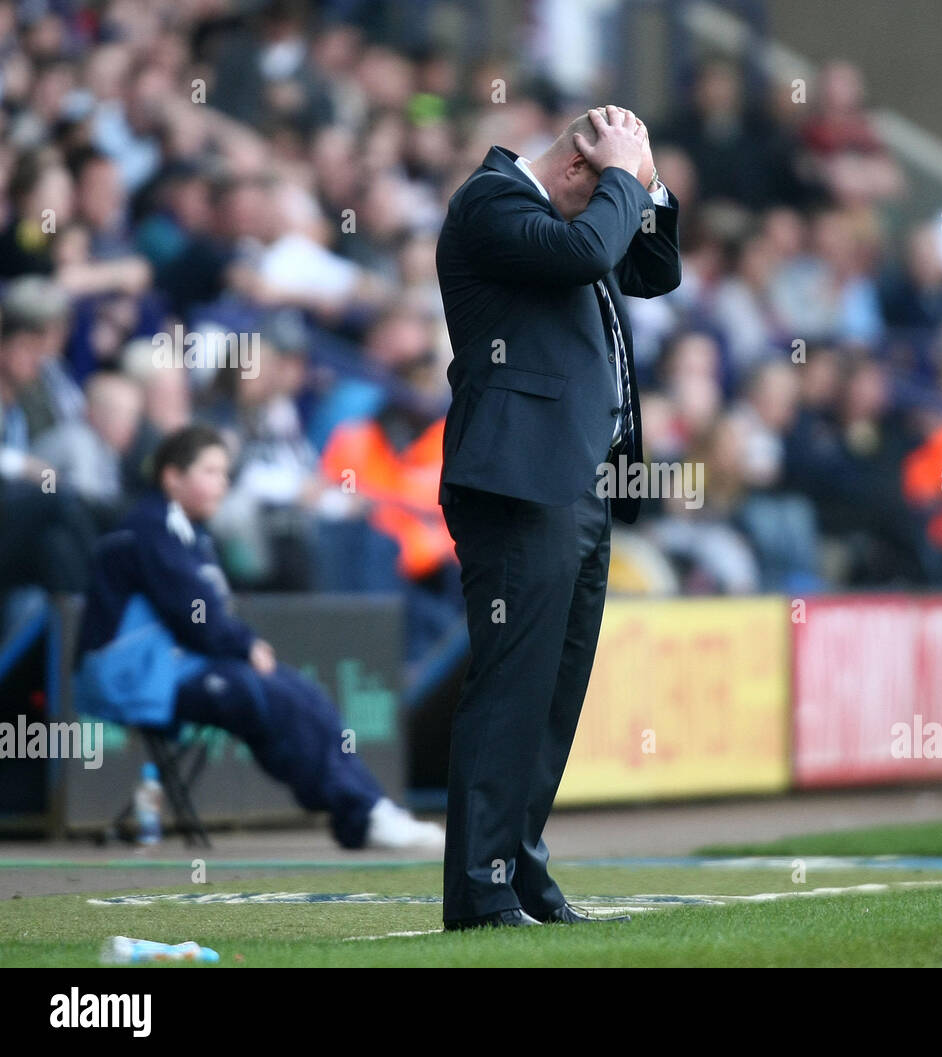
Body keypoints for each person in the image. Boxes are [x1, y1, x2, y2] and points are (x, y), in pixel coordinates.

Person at [435, 105, 680, 929]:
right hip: (517, 482)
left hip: (580, 480)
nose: (618, 205)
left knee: (554, 694)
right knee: (512, 685)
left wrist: (647, 183)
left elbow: (652, 271)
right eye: (609, 185)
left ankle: (522, 866)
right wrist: (622, 182)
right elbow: (590, 252)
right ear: (579, 169)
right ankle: (480, 889)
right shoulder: (493, 201)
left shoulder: (572, 213)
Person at [74, 424, 442, 851]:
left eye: (225, 473)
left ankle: (366, 813)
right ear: (173, 477)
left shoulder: (190, 532)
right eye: (210, 471)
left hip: (172, 667)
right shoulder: (150, 530)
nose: (222, 483)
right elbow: (194, 617)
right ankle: (360, 813)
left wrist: (240, 645)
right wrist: (246, 646)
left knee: (303, 693)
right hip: (130, 679)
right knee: (262, 694)